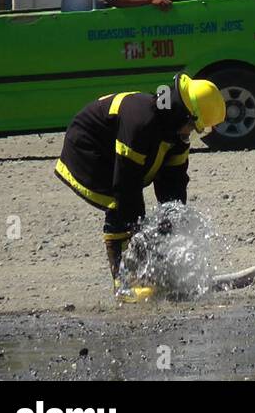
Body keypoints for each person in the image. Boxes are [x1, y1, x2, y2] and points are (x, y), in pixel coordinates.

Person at [54, 74, 226, 301]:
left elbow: (174, 184)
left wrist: (169, 225)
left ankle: (154, 273)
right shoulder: (141, 122)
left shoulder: (174, 129)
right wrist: (139, 229)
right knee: (121, 208)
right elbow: (126, 184)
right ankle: (125, 283)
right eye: (193, 127)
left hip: (125, 159)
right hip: (88, 149)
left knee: (168, 213)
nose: (191, 133)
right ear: (184, 114)